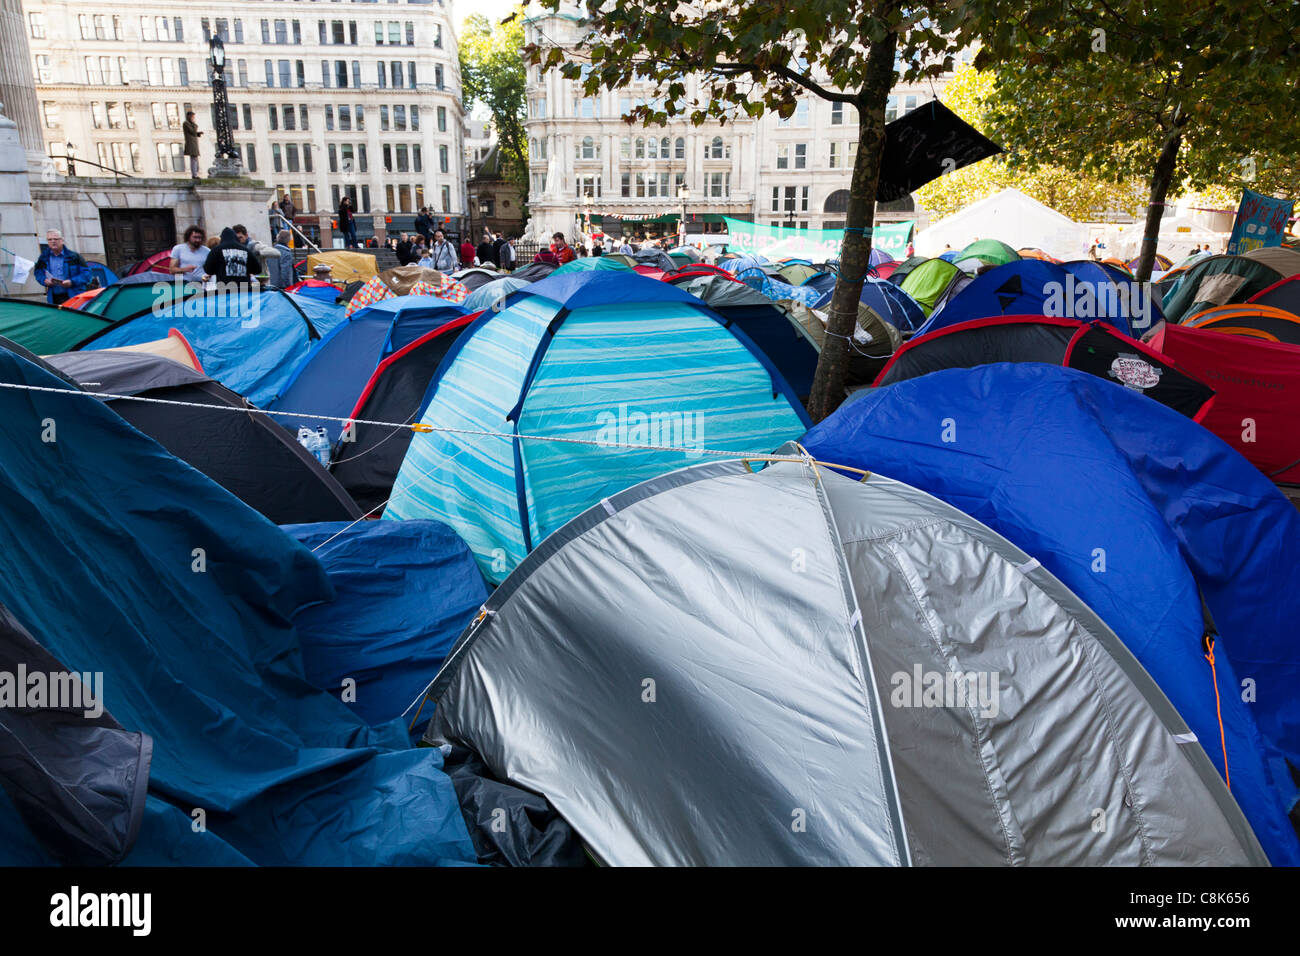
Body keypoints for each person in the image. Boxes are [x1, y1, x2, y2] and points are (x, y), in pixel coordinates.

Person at [34, 229, 91, 305]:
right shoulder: (43, 258)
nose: (53, 241)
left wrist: (72, 282)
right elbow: (38, 273)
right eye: (50, 239)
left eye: (56, 239)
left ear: (62, 240)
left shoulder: (74, 256)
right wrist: (44, 280)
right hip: (54, 298)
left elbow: (87, 274)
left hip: (74, 296)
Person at [182, 111, 202, 179]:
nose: (193, 118)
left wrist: (198, 133)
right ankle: (194, 175)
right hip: (191, 143)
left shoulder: (189, 124)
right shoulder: (186, 123)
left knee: (195, 159)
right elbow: (192, 131)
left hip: (193, 143)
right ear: (189, 116)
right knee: (193, 159)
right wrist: (195, 124)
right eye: (192, 117)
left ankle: (195, 174)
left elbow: (193, 132)